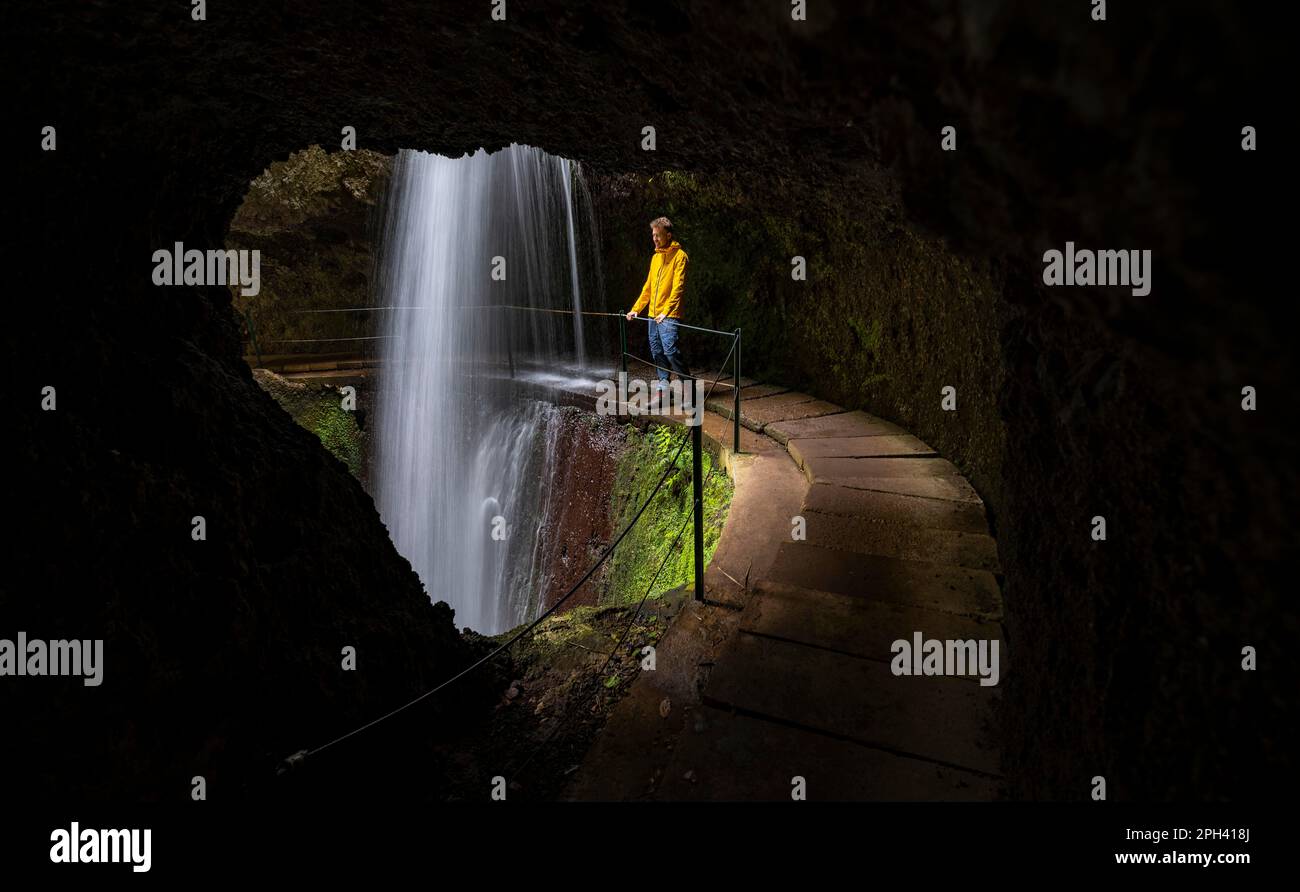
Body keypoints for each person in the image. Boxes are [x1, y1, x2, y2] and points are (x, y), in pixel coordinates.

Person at [626, 216, 690, 407]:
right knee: (657, 352)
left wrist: (666, 311)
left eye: (658, 235)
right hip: (652, 315)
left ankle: (688, 389)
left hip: (669, 314)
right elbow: (648, 287)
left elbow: (678, 288)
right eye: (653, 235)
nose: (654, 238)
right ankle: (663, 390)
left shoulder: (680, 257)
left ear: (668, 235)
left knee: (670, 351)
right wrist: (636, 309)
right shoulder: (655, 258)